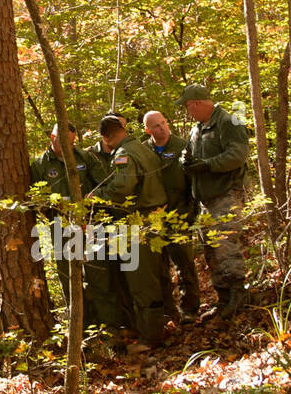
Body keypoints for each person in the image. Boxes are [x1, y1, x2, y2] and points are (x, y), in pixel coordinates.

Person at [84, 114, 168, 348]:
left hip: (138, 222)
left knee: (142, 281)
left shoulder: (123, 154)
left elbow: (122, 187)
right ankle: (147, 330)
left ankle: (151, 339)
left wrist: (94, 197)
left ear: (106, 137)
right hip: (153, 218)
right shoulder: (143, 148)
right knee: (148, 276)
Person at [178, 84, 248, 320]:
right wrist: (186, 161)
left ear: (197, 103)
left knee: (225, 246)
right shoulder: (197, 129)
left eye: (188, 107)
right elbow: (189, 154)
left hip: (226, 194)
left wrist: (208, 165)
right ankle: (224, 298)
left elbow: (238, 155)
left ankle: (238, 295)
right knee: (212, 251)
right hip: (205, 199)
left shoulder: (229, 121)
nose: (188, 112)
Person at [30, 122, 101, 312]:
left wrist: (93, 198)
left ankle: (106, 322)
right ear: (53, 138)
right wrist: (52, 205)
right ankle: (81, 325)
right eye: (64, 142)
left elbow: (101, 182)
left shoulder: (84, 157)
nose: (68, 147)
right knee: (68, 275)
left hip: (89, 222)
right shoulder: (40, 165)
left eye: (71, 142)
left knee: (97, 273)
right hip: (60, 226)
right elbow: (36, 199)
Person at [143, 110, 201, 324]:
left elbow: (194, 181)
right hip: (154, 220)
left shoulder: (182, 146)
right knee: (159, 269)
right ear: (148, 130)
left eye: (163, 123)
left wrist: (191, 211)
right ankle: (169, 312)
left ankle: (191, 309)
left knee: (185, 264)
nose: (162, 128)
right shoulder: (143, 151)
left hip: (180, 214)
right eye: (156, 126)